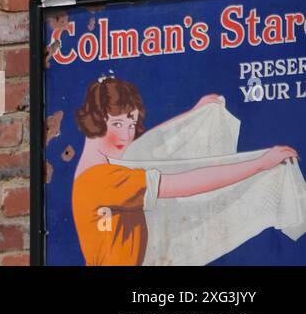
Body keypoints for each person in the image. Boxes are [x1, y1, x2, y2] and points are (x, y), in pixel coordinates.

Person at [71, 76, 297, 265]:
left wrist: (193, 113)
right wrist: (259, 164)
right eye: (118, 124)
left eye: (131, 125)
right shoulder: (104, 179)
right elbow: (186, 184)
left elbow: (151, 143)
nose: (125, 136)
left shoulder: (94, 169)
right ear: (96, 119)